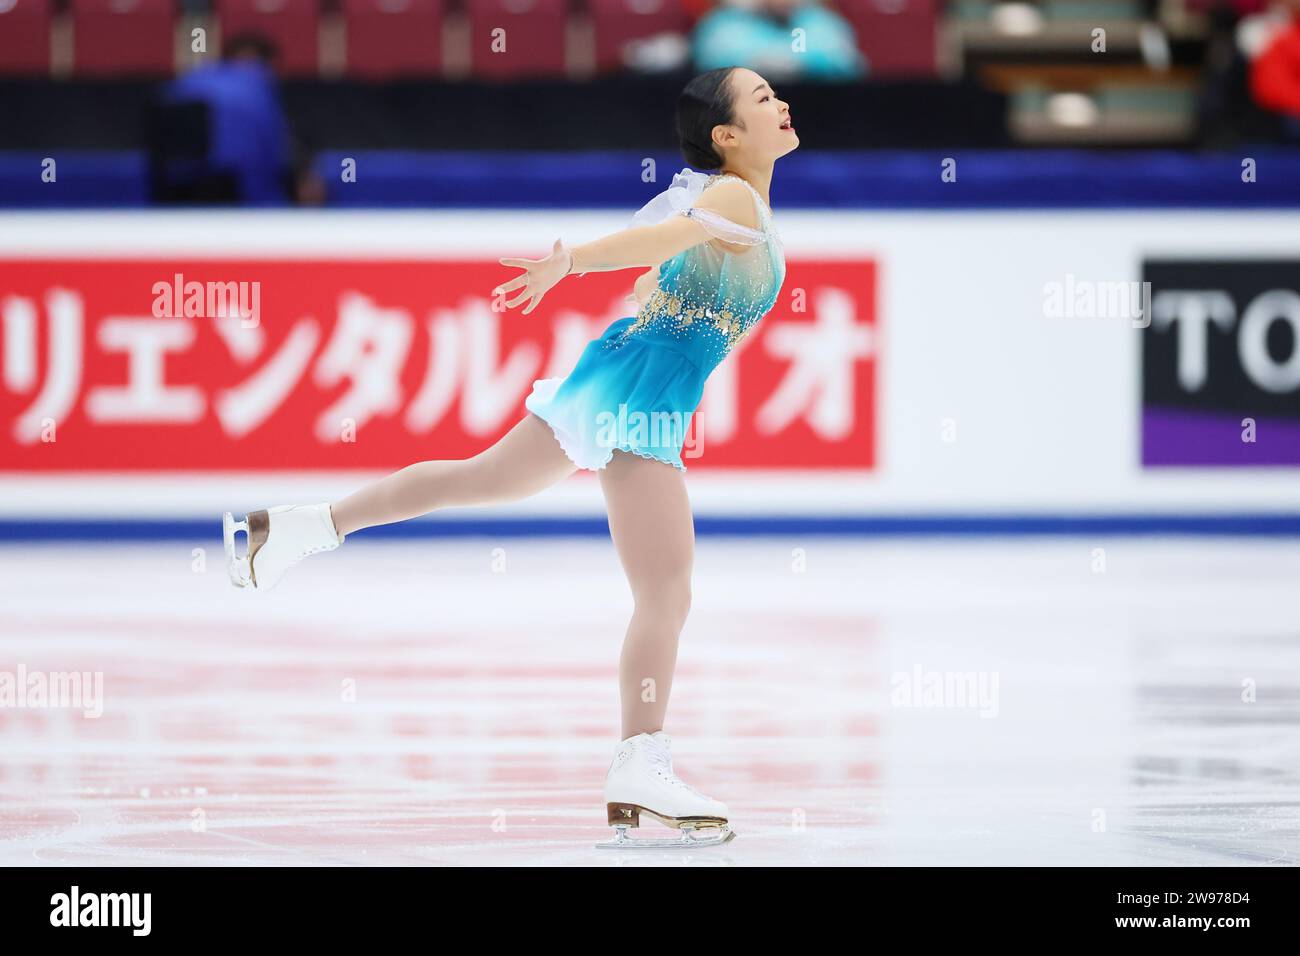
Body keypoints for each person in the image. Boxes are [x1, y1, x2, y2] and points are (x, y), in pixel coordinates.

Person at [222, 67, 797, 847]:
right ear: (726, 136)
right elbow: (659, 240)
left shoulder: (736, 198)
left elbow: (668, 247)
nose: (781, 103)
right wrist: (575, 262)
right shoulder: (729, 197)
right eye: (762, 98)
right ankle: (639, 764)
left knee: (482, 479)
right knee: (665, 592)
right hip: (639, 398)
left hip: (628, 379)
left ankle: (300, 527)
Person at [692, 0, 867, 80]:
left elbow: (847, 62)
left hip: (817, 115)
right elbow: (709, 60)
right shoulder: (726, 22)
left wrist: (800, 63)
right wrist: (757, 63)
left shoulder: (822, 21)